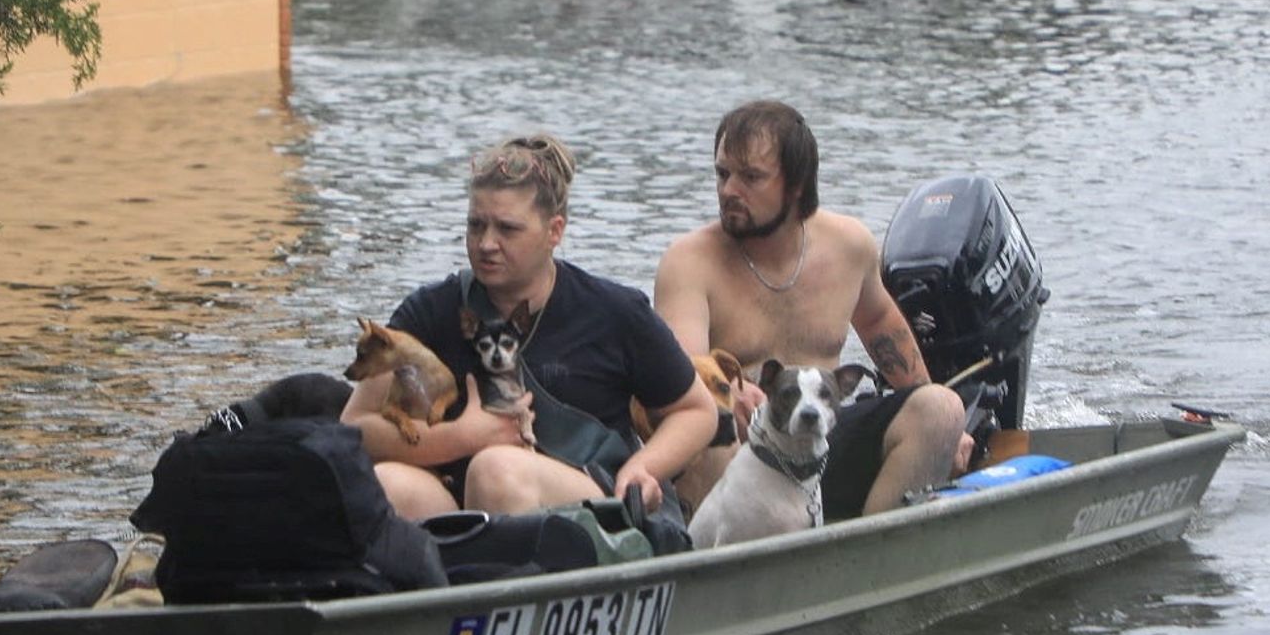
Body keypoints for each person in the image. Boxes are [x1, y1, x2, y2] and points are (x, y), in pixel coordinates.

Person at [343, 135, 717, 521]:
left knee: (496, 471)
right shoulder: (428, 312)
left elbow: (695, 411)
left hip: (588, 497)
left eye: (507, 229)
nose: (486, 243)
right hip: (460, 499)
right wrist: (459, 439)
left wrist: (643, 468)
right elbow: (355, 426)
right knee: (387, 484)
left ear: (555, 231)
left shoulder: (615, 311)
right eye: (476, 225)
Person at [653, 99, 969, 521]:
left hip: (824, 444)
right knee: (710, 431)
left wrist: (951, 435)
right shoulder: (688, 261)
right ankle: (732, 575)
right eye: (722, 173)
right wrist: (730, 394)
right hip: (745, 463)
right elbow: (685, 369)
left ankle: (871, 560)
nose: (729, 190)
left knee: (941, 408)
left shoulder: (848, 244)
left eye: (750, 177)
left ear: (796, 184)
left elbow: (880, 327)